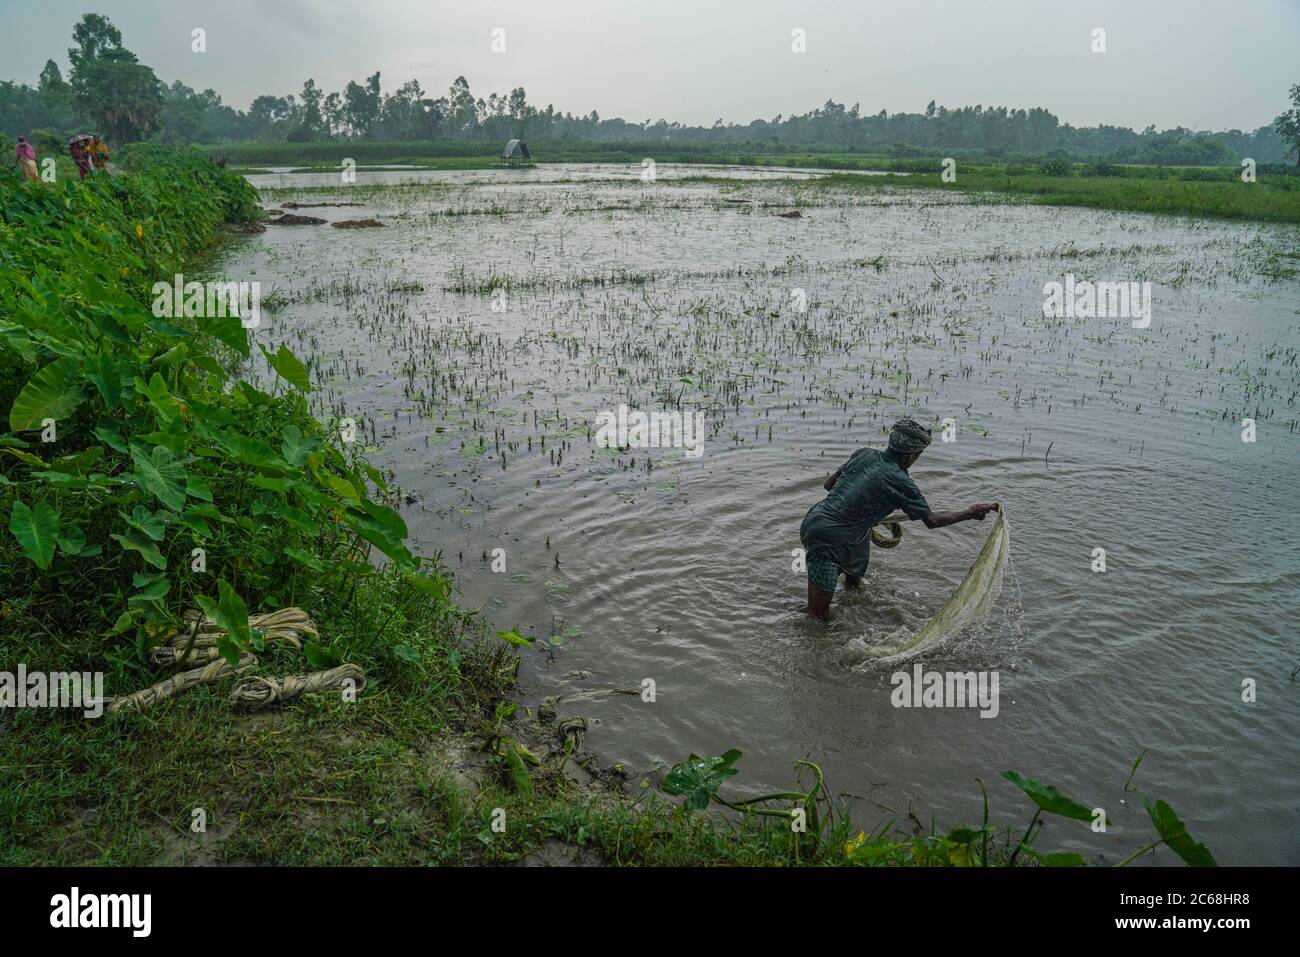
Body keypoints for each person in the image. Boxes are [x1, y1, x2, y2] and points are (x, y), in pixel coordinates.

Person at [799, 418, 998, 620]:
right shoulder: (902, 482)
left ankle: (854, 602)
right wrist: (970, 513)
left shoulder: (864, 453)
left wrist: (863, 510)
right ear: (913, 454)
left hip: (817, 520)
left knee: (854, 579)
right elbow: (933, 521)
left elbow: (829, 485)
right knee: (816, 618)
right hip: (829, 539)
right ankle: (817, 641)